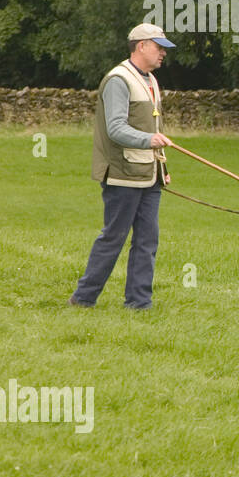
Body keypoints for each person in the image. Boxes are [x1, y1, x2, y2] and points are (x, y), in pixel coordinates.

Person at [69, 23, 176, 309]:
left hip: (148, 176)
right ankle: (83, 299)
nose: (163, 53)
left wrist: (161, 169)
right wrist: (149, 140)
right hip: (121, 175)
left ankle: (139, 304)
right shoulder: (119, 79)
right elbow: (116, 128)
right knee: (113, 238)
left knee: (147, 241)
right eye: (159, 46)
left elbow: (153, 125)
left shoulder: (151, 80)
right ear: (141, 45)